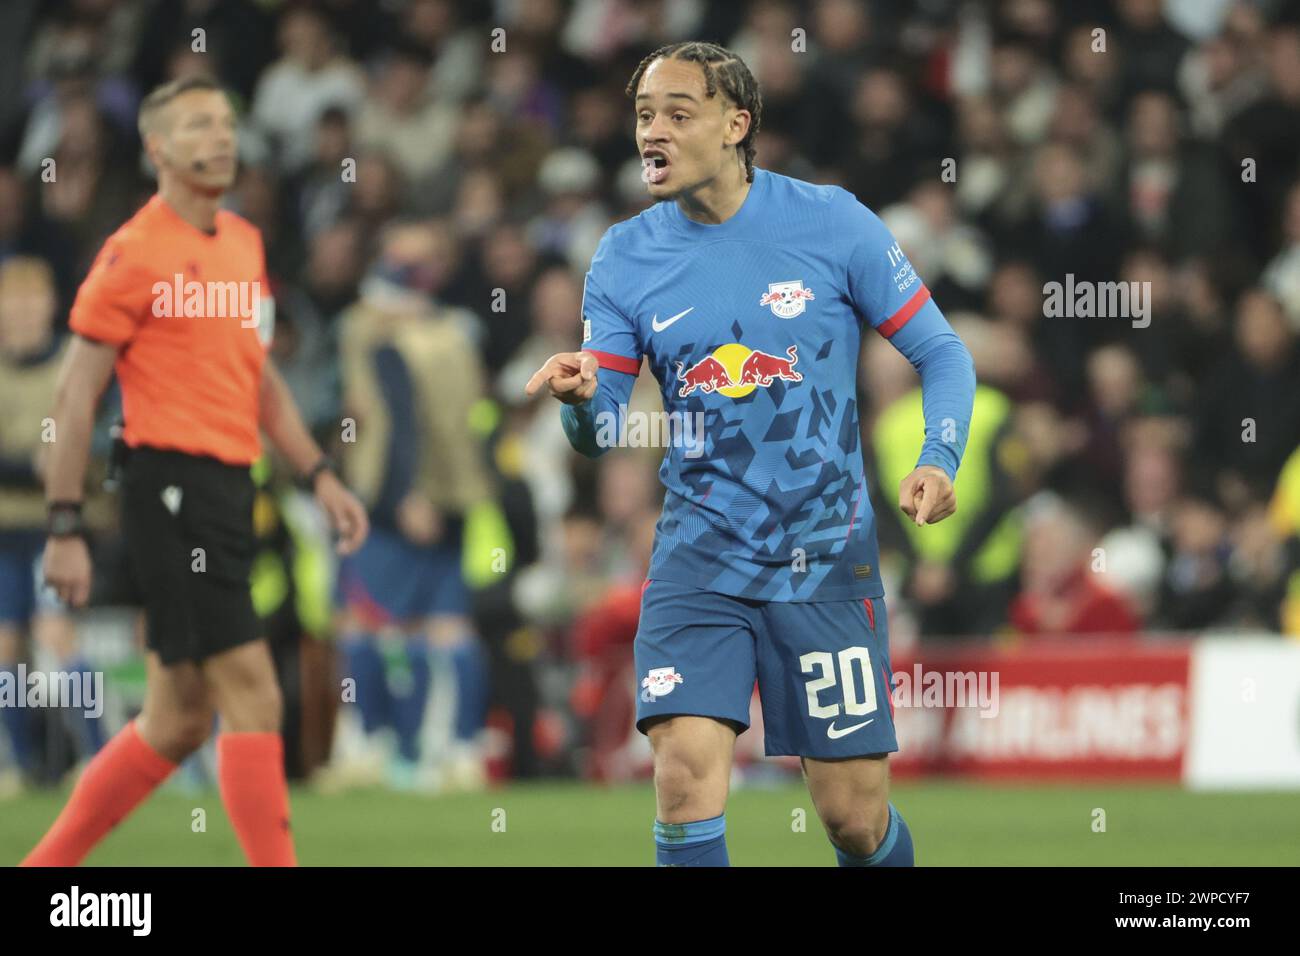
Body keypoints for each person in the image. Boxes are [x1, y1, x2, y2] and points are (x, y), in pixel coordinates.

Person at [526, 42, 975, 867]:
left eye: (677, 114)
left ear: (736, 125)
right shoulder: (624, 255)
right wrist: (584, 402)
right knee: (682, 779)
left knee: (853, 820)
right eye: (644, 115)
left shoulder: (832, 222)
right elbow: (603, 429)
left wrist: (939, 457)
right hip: (698, 556)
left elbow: (943, 353)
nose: (652, 132)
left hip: (823, 556)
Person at [22, 75, 368, 867]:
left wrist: (319, 472)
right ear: (157, 149)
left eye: (225, 124)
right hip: (169, 486)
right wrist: (64, 525)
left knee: (177, 722)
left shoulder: (243, 242)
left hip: (229, 486)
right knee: (255, 691)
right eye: (198, 126)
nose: (219, 138)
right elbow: (75, 396)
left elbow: (258, 375)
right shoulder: (132, 253)